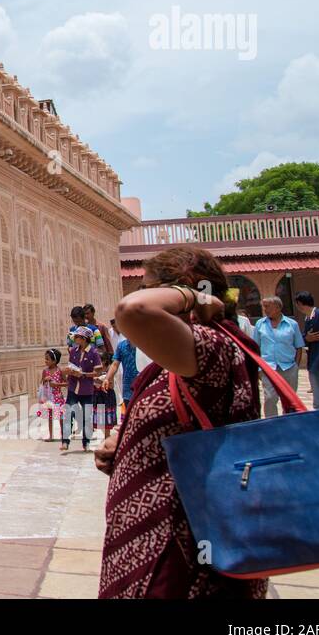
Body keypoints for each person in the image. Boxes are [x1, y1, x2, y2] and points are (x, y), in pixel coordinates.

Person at [96, 246, 266, 599]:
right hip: (156, 538)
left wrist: (196, 297)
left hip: (180, 546)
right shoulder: (187, 352)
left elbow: (133, 311)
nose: (141, 294)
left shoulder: (213, 346)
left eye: (150, 287)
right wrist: (125, 442)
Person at [252, 296, 306, 417]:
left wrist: (296, 366)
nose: (265, 309)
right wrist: (258, 369)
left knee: (290, 400)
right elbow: (255, 348)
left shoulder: (292, 324)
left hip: (289, 367)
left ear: (278, 307)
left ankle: (289, 423)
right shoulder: (260, 324)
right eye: (264, 307)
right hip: (268, 368)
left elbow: (298, 346)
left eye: (267, 306)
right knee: (270, 398)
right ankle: (272, 425)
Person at [62, 325, 100, 452]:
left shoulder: (94, 353)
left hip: (86, 390)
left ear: (83, 339)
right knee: (68, 414)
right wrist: (68, 371)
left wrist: (83, 374)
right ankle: (65, 441)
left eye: (77, 337)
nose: (75, 339)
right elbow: (69, 366)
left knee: (87, 416)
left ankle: (86, 442)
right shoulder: (73, 351)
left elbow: (97, 372)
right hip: (73, 388)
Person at [83, 305, 118, 439]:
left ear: (93, 313)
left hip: (103, 361)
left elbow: (107, 345)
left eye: (87, 313)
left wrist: (109, 362)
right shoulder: (84, 330)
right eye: (84, 314)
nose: (86, 316)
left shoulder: (100, 327)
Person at [37, 348, 67, 441]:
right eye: (45, 358)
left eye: (47, 359)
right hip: (49, 399)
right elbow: (42, 383)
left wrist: (57, 384)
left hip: (58, 398)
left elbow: (67, 383)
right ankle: (51, 436)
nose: (45, 361)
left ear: (54, 361)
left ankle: (63, 436)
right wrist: (45, 379)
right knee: (50, 418)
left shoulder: (60, 371)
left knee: (60, 418)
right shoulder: (45, 371)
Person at [112, 327, 139, 420]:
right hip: (128, 385)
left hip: (143, 383)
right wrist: (108, 378)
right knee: (130, 413)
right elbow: (115, 364)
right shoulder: (121, 346)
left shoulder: (144, 345)